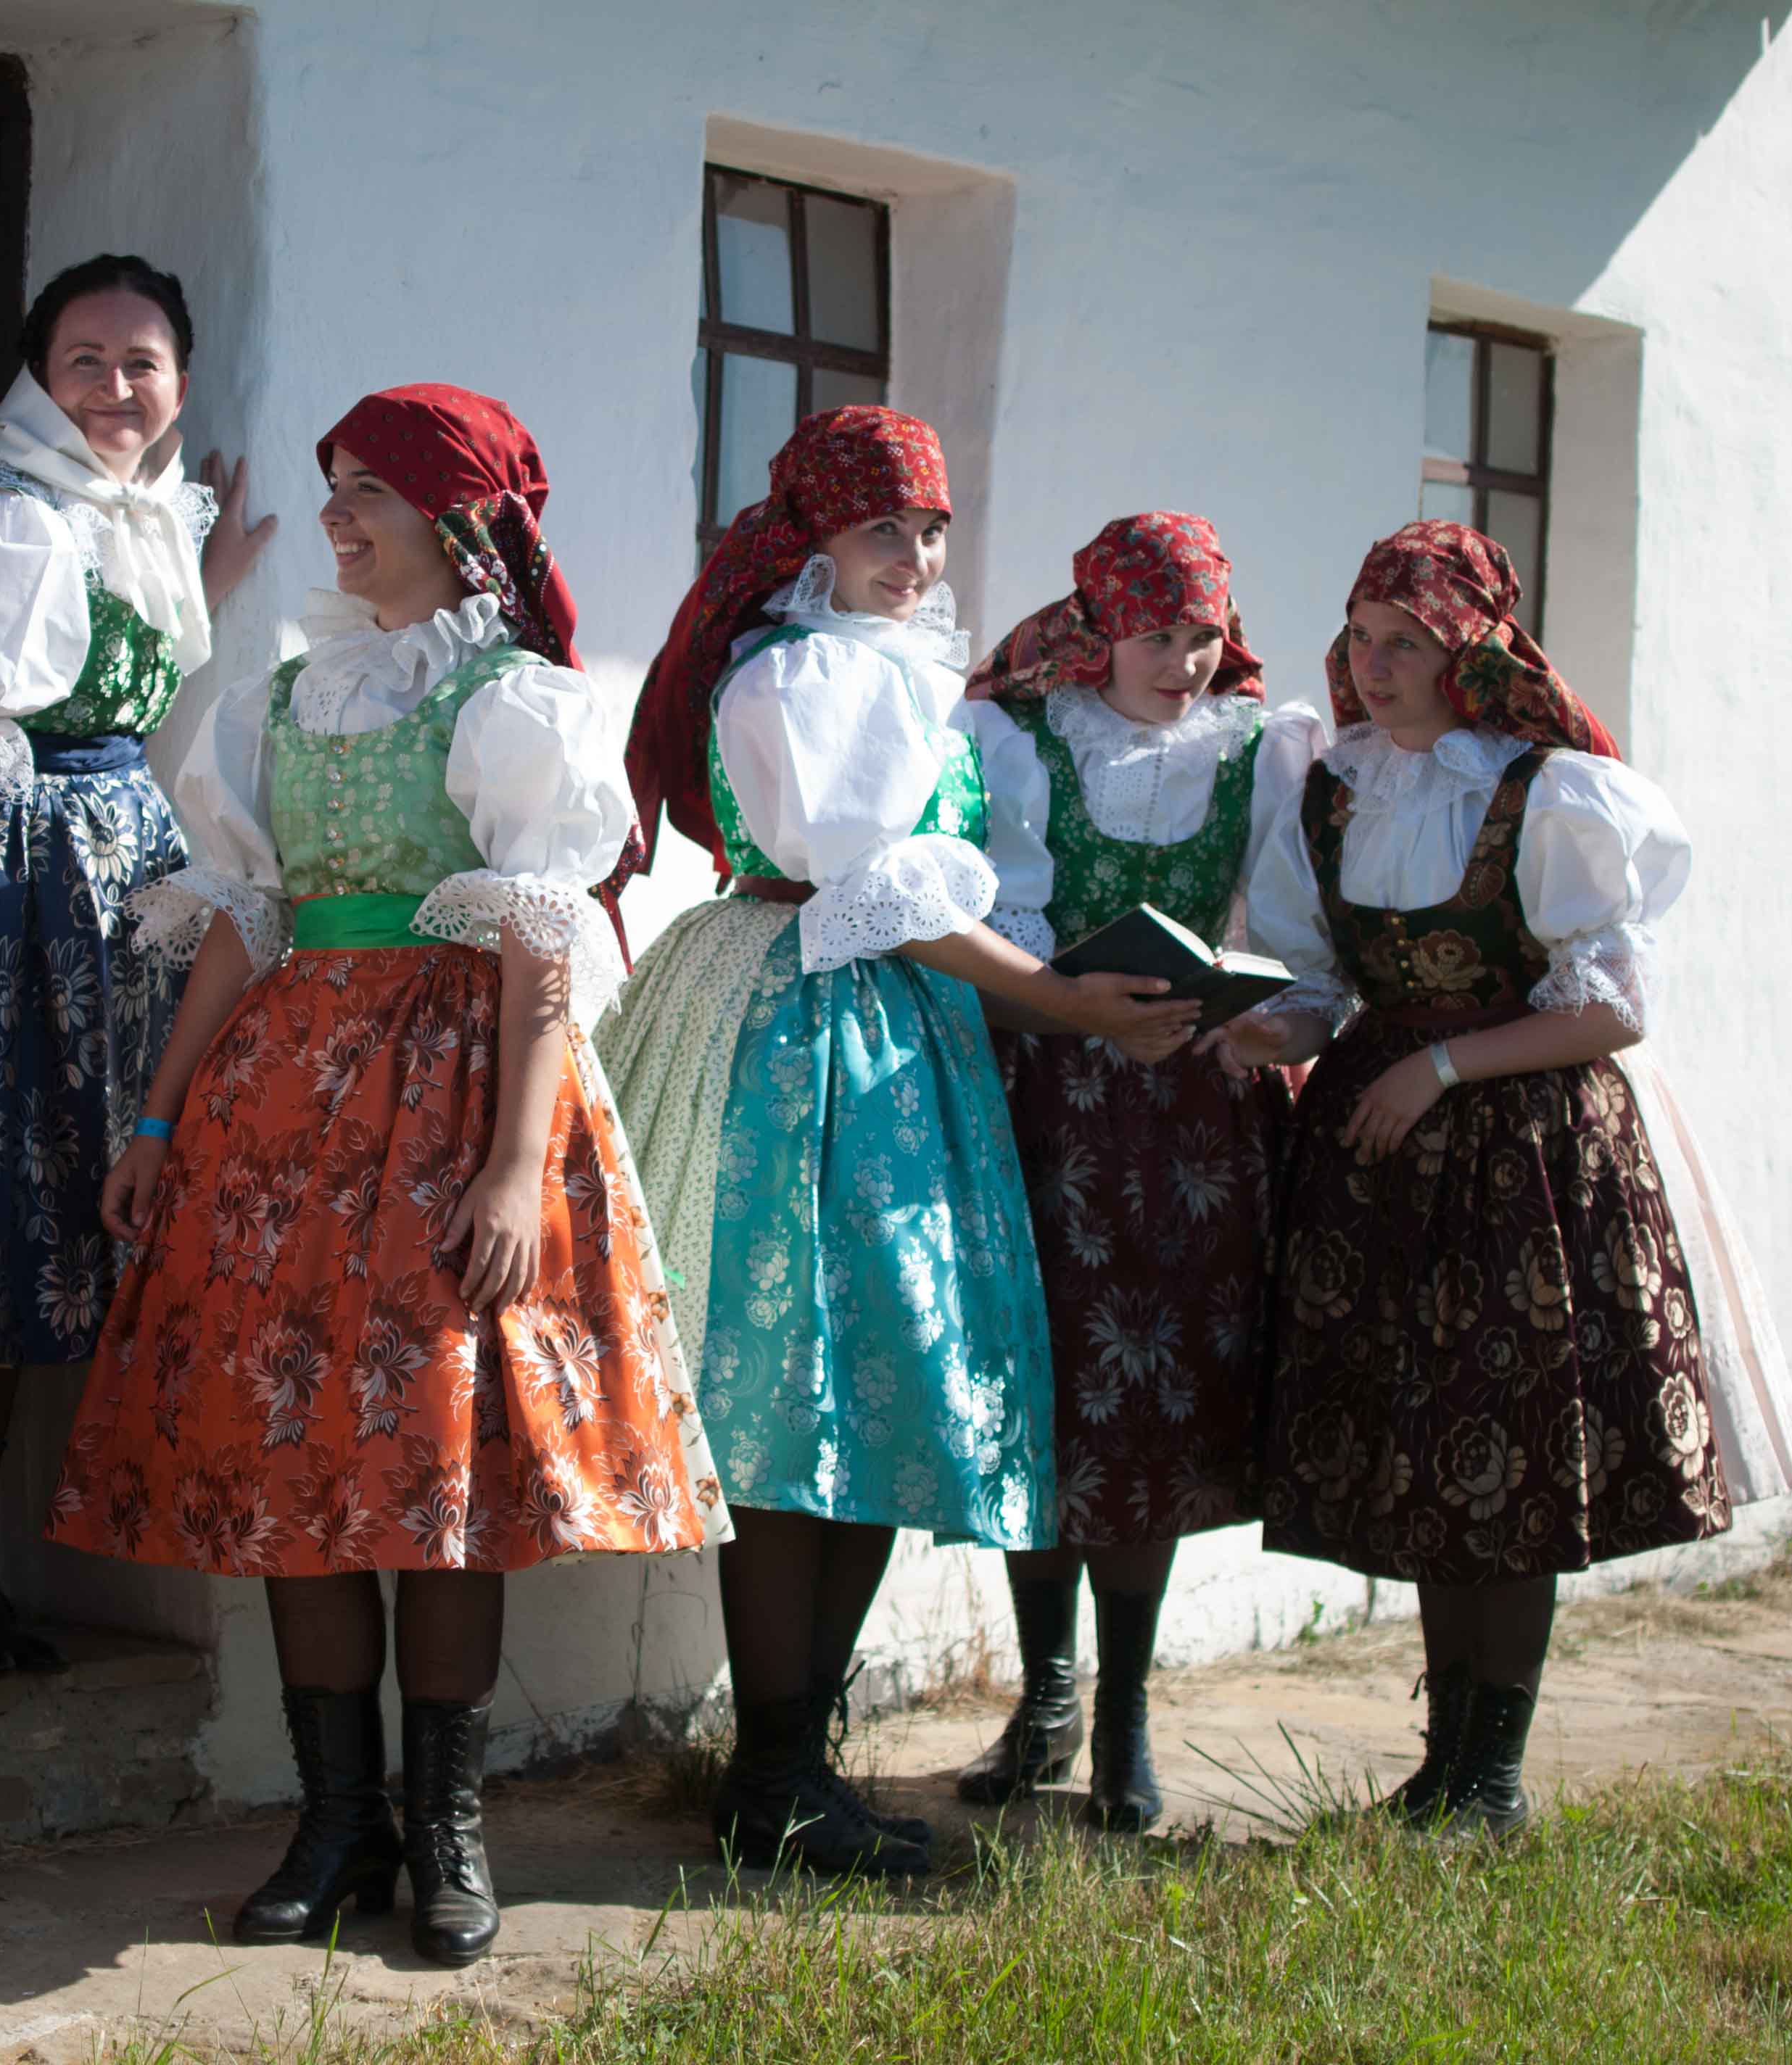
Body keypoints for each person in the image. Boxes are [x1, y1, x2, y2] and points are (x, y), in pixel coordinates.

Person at [46, 384, 717, 1966]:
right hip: (284, 1118)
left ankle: (450, 1825)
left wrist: (512, 1169)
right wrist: (158, 1121)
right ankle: (339, 1821)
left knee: (436, 1474)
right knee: (306, 1468)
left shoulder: (514, 702)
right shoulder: (279, 702)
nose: (339, 518)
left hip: (457, 1101)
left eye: (373, 493)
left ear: (460, 521)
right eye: (335, 486)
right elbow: (245, 918)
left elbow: (540, 942)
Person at [600, 406, 1173, 1878]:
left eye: (929, 530)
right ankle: (775, 1776)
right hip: (804, 1028)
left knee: (874, 1388)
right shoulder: (799, 673)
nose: (915, 557)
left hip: (896, 1036)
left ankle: (794, 1769)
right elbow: (874, 889)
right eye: (882, 530)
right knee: (792, 1395)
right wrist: (1055, 998)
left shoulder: (895, 672)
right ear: (814, 537)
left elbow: (930, 887)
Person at [1223, 518, 1735, 1837]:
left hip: (1524, 1152)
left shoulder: (1550, 793)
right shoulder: (1334, 791)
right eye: (1363, 640)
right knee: (1426, 1459)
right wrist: (1254, 1032)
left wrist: (1440, 1068)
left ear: (1472, 656)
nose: (1376, 667)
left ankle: (1493, 1777)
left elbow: (1610, 1010)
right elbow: (1318, 989)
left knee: (1509, 1456)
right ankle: (1444, 1766)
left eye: (1408, 644)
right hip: (1383, 1161)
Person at [0, 254, 276, 1681]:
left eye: (143, 362)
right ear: (35, 375)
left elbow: (109, 674)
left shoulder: (127, 518)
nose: (114, 387)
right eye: (84, 359)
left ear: (181, 382)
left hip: (91, 915)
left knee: (26, 1238)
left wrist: (205, 578)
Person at [953, 513, 1329, 1829]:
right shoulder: (1020, 739)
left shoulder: (1262, 750)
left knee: (1152, 1414)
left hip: (1195, 1118)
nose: (1184, 662)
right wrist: (1070, 1002)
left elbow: (1297, 943)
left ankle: (1123, 1717)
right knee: (1044, 1394)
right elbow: (997, 925)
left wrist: (1266, 1019)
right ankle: (1047, 1695)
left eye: (1203, 634)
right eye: (1157, 634)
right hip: (1051, 1101)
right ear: (1102, 629)